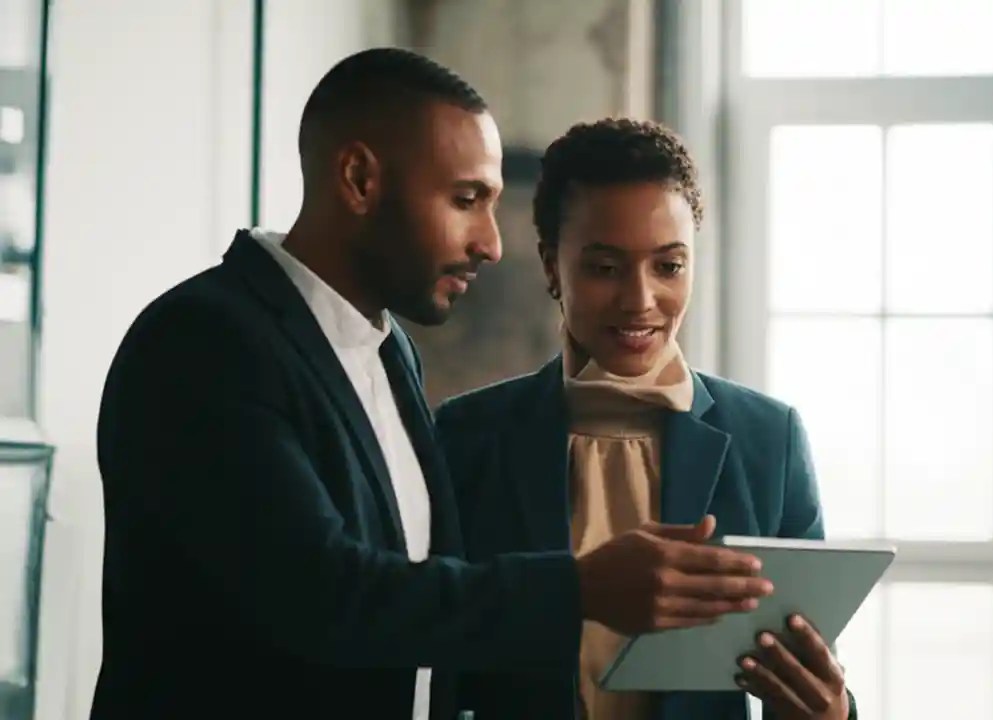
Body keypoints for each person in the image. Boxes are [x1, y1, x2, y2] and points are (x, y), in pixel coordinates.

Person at [91, 50, 773, 720]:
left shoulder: (393, 357)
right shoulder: (205, 341)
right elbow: (325, 595)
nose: (490, 242)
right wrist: (579, 588)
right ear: (359, 179)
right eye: (466, 199)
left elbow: (423, 620)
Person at [435, 118, 855, 719]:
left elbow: (813, 668)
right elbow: (432, 661)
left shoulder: (768, 442)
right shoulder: (467, 438)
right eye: (605, 268)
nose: (640, 299)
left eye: (669, 266)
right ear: (553, 266)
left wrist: (834, 713)